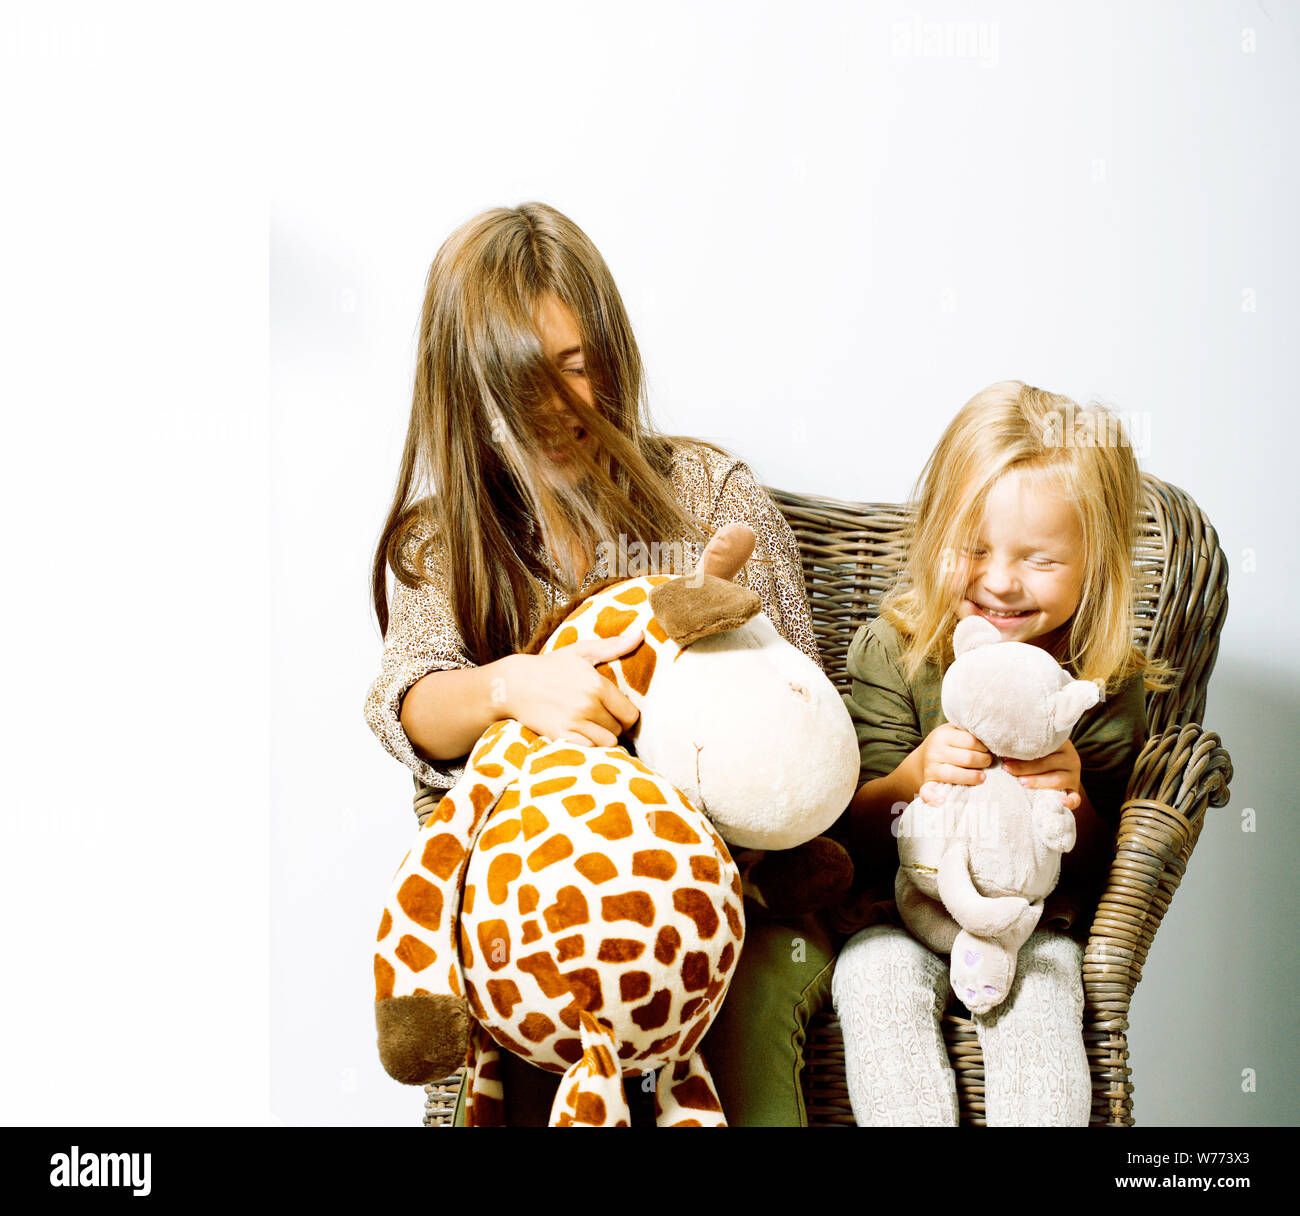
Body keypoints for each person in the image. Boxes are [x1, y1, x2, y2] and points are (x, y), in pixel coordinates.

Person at [364, 202, 838, 1125]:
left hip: (722, 901)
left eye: (579, 368)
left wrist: (699, 671)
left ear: (615, 354)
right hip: (547, 904)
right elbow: (405, 702)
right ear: (469, 391)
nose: (560, 408)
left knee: (749, 1009)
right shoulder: (444, 541)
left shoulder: (708, 493)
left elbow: (804, 729)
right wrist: (515, 687)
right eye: (524, 382)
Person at [830, 381, 1161, 1126]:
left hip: (1031, 923)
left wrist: (1076, 805)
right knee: (871, 976)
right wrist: (914, 777)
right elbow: (851, 832)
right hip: (902, 910)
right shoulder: (898, 650)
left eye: (1040, 560)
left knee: (1045, 997)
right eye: (972, 549)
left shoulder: (1102, 681)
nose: (999, 581)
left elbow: (1111, 865)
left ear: (1094, 562)